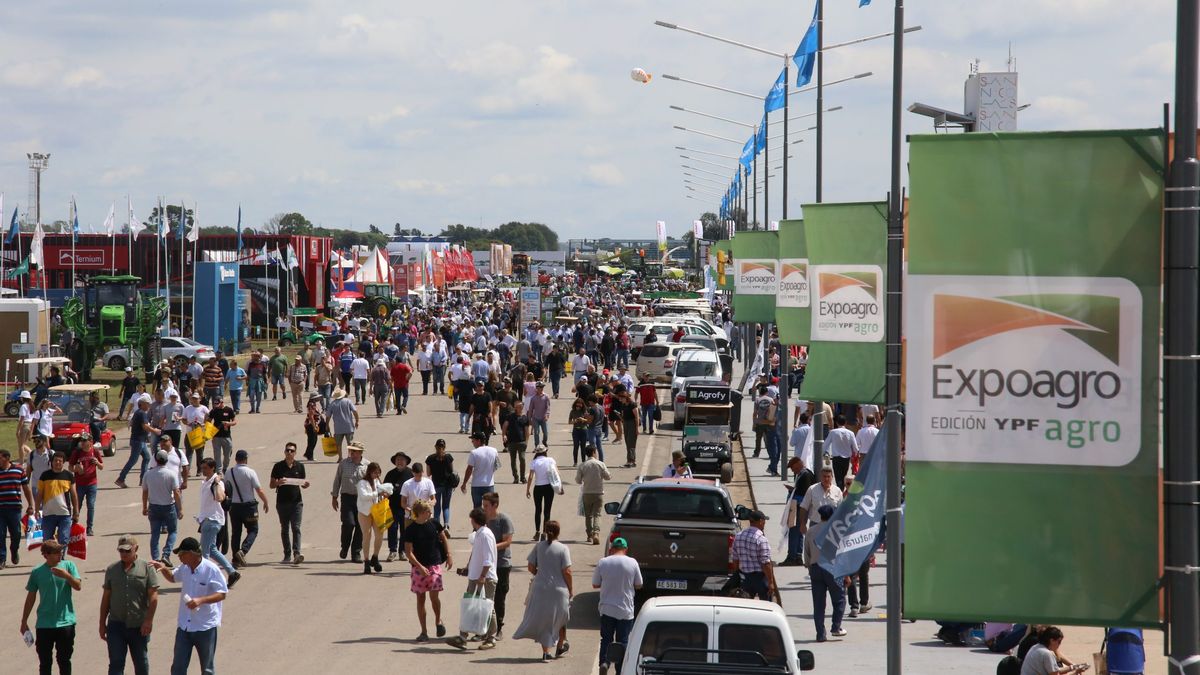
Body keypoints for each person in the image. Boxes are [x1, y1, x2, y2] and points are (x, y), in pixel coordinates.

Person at [149, 537, 228, 675]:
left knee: (207, 669)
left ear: (192, 553)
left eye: (182, 554)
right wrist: (163, 569)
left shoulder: (211, 569)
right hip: (184, 626)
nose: (179, 557)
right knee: (178, 668)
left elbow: (222, 594)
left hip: (205, 627)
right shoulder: (185, 568)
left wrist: (200, 600)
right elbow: (173, 578)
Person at [513, 520, 573, 661]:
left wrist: (539, 573)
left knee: (546, 620)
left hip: (540, 588)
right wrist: (570, 588)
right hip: (558, 589)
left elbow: (530, 566)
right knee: (562, 617)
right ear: (558, 532)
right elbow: (567, 571)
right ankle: (560, 644)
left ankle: (546, 652)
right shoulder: (563, 549)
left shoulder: (539, 546)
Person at [100, 535, 159, 675]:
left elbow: (154, 597)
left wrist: (148, 621)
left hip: (138, 625)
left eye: (127, 551)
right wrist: (102, 624)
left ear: (136, 548)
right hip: (116, 625)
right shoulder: (112, 569)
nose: (124, 554)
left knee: (141, 663)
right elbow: (106, 598)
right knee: (116, 663)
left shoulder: (147, 568)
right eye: (121, 551)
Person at [20, 539, 81, 675]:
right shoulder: (37, 572)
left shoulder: (69, 566)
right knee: (45, 663)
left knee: (64, 661)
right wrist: (24, 621)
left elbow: (78, 586)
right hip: (44, 625)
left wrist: (66, 576)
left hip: (65, 623)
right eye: (56, 552)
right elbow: (31, 597)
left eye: (60, 551)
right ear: (46, 555)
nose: (60, 554)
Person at [446, 507, 498, 651]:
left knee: (488, 608)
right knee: (469, 606)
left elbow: (488, 559)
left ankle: (491, 638)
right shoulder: (479, 534)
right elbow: (477, 555)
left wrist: (482, 576)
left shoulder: (485, 535)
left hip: (485, 578)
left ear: (474, 521)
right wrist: (468, 568)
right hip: (475, 577)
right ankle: (462, 638)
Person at [593, 537, 642, 675]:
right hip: (625, 609)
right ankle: (620, 671)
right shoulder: (632, 562)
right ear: (625, 549)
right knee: (623, 641)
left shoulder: (603, 562)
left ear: (612, 549)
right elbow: (639, 584)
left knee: (606, 639)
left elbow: (595, 584)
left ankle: (604, 663)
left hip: (607, 608)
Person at [404, 499, 451, 642]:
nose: (431, 513)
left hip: (434, 564)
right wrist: (419, 567)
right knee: (420, 599)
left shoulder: (434, 523)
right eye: (428, 511)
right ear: (420, 513)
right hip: (419, 568)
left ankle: (438, 621)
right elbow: (408, 552)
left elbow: (444, 538)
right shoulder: (410, 529)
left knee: (434, 597)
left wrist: (449, 555)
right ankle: (423, 631)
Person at [196, 458, 241, 587]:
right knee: (212, 550)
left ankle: (204, 580)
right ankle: (232, 573)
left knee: (204, 553)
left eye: (205, 468)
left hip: (212, 520)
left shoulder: (217, 482)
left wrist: (216, 484)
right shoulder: (206, 481)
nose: (202, 470)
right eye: (202, 467)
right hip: (207, 519)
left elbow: (220, 498)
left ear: (212, 468)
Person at [805, 504, 846, 642]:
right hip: (832, 568)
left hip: (816, 568)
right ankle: (836, 627)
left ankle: (820, 634)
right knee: (839, 599)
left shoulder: (811, 531)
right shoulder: (838, 531)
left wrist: (810, 568)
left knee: (818, 604)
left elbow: (807, 553)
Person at [226, 450, 269, 569]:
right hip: (249, 506)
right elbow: (259, 490)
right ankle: (243, 551)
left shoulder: (229, 472)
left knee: (236, 533)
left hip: (234, 506)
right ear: (246, 459)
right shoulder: (250, 472)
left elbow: (226, 488)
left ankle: (235, 560)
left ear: (236, 460)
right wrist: (265, 501)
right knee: (253, 530)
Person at [481, 491, 515, 638]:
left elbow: (507, 542)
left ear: (495, 505)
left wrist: (491, 546)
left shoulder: (504, 520)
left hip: (501, 564)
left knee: (499, 597)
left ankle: (498, 627)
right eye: (483, 505)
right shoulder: (483, 520)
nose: (484, 509)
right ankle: (484, 628)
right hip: (485, 564)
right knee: (484, 597)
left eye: (486, 506)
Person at [269, 442, 309, 564]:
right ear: (285, 452)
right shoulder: (278, 466)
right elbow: (271, 485)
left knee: (296, 527)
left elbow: (302, 483)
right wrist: (278, 483)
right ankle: (287, 554)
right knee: (285, 528)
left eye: (292, 451)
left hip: (296, 502)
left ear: (295, 453)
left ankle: (297, 553)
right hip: (282, 502)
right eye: (287, 450)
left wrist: (306, 485)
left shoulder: (300, 466)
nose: (289, 453)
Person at [142, 450, 183, 565]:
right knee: (173, 531)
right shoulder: (171, 474)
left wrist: (144, 507)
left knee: (155, 534)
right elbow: (176, 492)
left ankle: (155, 558)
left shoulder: (148, 474)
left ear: (155, 460)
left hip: (153, 506)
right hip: (168, 506)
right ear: (166, 460)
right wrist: (180, 509)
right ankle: (166, 554)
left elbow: (145, 492)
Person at [332, 442, 368, 563]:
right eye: (351, 450)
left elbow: (373, 482)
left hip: (362, 499)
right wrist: (334, 496)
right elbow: (337, 480)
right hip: (347, 497)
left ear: (360, 452)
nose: (352, 453)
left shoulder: (367, 465)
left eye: (355, 451)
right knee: (349, 523)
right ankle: (345, 546)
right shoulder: (344, 463)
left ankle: (356, 552)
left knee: (360, 526)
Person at [356, 461, 393, 574]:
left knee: (379, 534)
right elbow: (364, 496)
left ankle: (375, 557)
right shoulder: (362, 483)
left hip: (376, 511)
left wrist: (386, 492)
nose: (377, 475)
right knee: (366, 535)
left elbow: (383, 491)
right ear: (370, 472)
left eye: (378, 473)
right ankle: (366, 561)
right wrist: (378, 493)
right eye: (375, 473)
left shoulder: (377, 481)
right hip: (365, 512)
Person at [732, 509, 776, 602]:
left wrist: (737, 574)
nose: (764, 524)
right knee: (766, 606)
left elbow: (735, 559)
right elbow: (766, 563)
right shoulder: (761, 539)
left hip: (745, 578)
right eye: (764, 521)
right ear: (761, 521)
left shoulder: (739, 536)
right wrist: (771, 582)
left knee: (747, 605)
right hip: (760, 578)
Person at [781, 456, 818, 566]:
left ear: (798, 464)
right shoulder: (802, 474)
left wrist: (793, 490)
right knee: (798, 531)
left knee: (793, 531)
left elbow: (805, 493)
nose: (793, 470)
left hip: (798, 507)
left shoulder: (805, 475)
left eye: (793, 468)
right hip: (799, 506)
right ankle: (797, 556)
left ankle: (792, 556)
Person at [0, 449, 34, 568]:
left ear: (7, 458)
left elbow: (26, 489)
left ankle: (14, 550)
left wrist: (30, 505)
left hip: (14, 508)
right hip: (1, 509)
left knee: (16, 533)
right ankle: (2, 559)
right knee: (0, 534)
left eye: (0, 458)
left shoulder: (18, 470)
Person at [36, 452, 78, 547]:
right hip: (48, 514)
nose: (58, 462)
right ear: (52, 462)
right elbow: (39, 494)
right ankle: (51, 560)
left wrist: (76, 511)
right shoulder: (44, 476)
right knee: (47, 541)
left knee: (63, 539)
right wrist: (37, 509)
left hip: (64, 514)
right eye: (55, 460)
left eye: (60, 461)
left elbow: (74, 495)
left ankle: (60, 559)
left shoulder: (69, 476)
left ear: (63, 462)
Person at [574, 444, 610, 545]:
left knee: (588, 516)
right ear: (594, 452)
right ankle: (596, 533)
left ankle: (589, 535)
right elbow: (608, 477)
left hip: (587, 493)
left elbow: (578, 480)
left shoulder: (582, 465)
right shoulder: (600, 464)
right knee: (597, 515)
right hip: (598, 493)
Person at [67, 440, 102, 537]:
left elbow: (101, 467)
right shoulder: (77, 452)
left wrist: (97, 463)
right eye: (82, 441)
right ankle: (73, 525)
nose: (82, 443)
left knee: (90, 505)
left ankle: (89, 528)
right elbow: (70, 467)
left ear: (90, 442)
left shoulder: (95, 451)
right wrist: (77, 469)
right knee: (77, 505)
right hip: (80, 484)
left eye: (85, 441)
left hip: (92, 484)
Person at [526, 445, 562, 541]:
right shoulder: (550, 460)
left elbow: (530, 477)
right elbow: (557, 474)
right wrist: (560, 487)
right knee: (547, 511)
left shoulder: (534, 462)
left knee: (538, 510)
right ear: (545, 451)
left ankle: (537, 532)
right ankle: (545, 533)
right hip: (548, 488)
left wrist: (527, 489)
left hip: (538, 488)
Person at [1020, 626, 1086, 675]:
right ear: (1052, 640)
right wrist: (1075, 673)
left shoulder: (1036, 647)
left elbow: (1055, 671)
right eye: (1059, 642)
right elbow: (1056, 673)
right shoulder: (1046, 653)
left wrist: (1074, 667)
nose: (1059, 645)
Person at [798, 466, 844, 536]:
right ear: (820, 477)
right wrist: (802, 524)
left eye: (828, 476)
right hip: (815, 524)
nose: (826, 479)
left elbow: (841, 510)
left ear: (832, 477)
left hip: (831, 526)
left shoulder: (837, 491)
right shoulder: (812, 489)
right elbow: (804, 508)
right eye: (824, 476)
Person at [461, 431, 498, 509]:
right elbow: (496, 465)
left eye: (473, 440)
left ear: (478, 441)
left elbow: (469, 469)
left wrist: (464, 483)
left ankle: (479, 521)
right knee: (489, 507)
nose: (472, 442)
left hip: (476, 485)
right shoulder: (494, 451)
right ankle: (488, 521)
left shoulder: (474, 453)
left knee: (477, 508)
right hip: (489, 484)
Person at [425, 439, 454, 528]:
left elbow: (428, 473)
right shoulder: (448, 457)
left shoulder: (430, 458)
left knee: (437, 508)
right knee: (446, 506)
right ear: (444, 447)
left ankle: (437, 528)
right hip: (448, 485)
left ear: (435, 447)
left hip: (436, 485)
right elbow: (452, 470)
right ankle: (446, 525)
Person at [752, 385, 780, 476]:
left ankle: (756, 453)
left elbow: (755, 413)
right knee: (769, 440)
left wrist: (754, 423)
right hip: (769, 423)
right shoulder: (771, 400)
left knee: (758, 438)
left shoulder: (757, 400)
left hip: (760, 423)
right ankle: (770, 455)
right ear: (767, 392)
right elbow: (773, 410)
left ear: (760, 392)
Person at [826, 414, 860, 489]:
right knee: (844, 476)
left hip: (836, 458)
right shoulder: (850, 433)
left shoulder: (833, 432)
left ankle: (839, 490)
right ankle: (842, 490)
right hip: (846, 458)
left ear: (837, 423)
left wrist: (825, 453)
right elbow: (855, 448)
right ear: (845, 422)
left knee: (838, 477)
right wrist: (856, 456)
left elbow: (826, 445)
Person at [500, 401, 530, 484]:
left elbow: (527, 431)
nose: (518, 408)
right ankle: (516, 477)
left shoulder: (525, 418)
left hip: (521, 442)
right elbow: (505, 426)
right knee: (513, 460)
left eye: (520, 406)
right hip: (512, 442)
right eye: (517, 406)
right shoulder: (510, 416)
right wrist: (504, 435)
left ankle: (523, 477)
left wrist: (526, 442)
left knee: (522, 459)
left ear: (522, 407)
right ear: (515, 407)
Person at [325, 389, 359, 461]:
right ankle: (350, 457)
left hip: (338, 427)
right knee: (349, 443)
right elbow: (355, 411)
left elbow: (328, 416)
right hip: (348, 426)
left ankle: (340, 457)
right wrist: (357, 421)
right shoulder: (348, 401)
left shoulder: (332, 404)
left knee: (338, 444)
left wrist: (327, 425)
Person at [207, 396, 237, 473]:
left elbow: (235, 421)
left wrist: (228, 423)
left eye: (217, 403)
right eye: (215, 403)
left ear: (222, 402)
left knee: (227, 455)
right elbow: (208, 421)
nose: (216, 405)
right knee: (217, 455)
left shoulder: (229, 410)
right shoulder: (214, 410)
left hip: (226, 436)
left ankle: (225, 467)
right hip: (216, 436)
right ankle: (218, 471)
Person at [181, 392, 209, 467]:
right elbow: (183, 419)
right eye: (193, 398)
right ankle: (187, 469)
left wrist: (202, 424)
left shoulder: (204, 408)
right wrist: (188, 423)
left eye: (196, 399)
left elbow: (208, 420)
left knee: (200, 454)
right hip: (190, 433)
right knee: (189, 453)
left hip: (200, 433)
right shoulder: (187, 408)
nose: (195, 400)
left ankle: (199, 469)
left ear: (200, 399)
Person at [568, 398, 591, 465]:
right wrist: (574, 421)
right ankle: (575, 462)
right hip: (576, 430)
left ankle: (583, 461)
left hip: (584, 430)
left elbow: (588, 421)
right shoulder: (572, 411)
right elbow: (569, 422)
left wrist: (583, 419)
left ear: (582, 406)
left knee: (583, 447)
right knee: (576, 446)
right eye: (577, 406)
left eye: (579, 406)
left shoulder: (585, 411)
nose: (578, 407)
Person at [302, 393, 325, 461]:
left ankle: (308, 454)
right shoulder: (311, 404)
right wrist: (314, 426)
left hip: (312, 424)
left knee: (312, 440)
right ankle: (310, 455)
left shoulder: (313, 403)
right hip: (311, 425)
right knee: (312, 441)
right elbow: (311, 416)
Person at [527, 381, 551, 447]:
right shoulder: (533, 398)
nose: (541, 388)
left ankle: (544, 441)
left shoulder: (546, 397)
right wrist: (529, 419)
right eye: (540, 387)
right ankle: (537, 446)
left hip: (543, 418)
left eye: (542, 387)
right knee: (536, 433)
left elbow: (548, 407)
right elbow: (530, 409)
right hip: (536, 418)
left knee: (545, 433)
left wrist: (547, 415)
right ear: (537, 388)